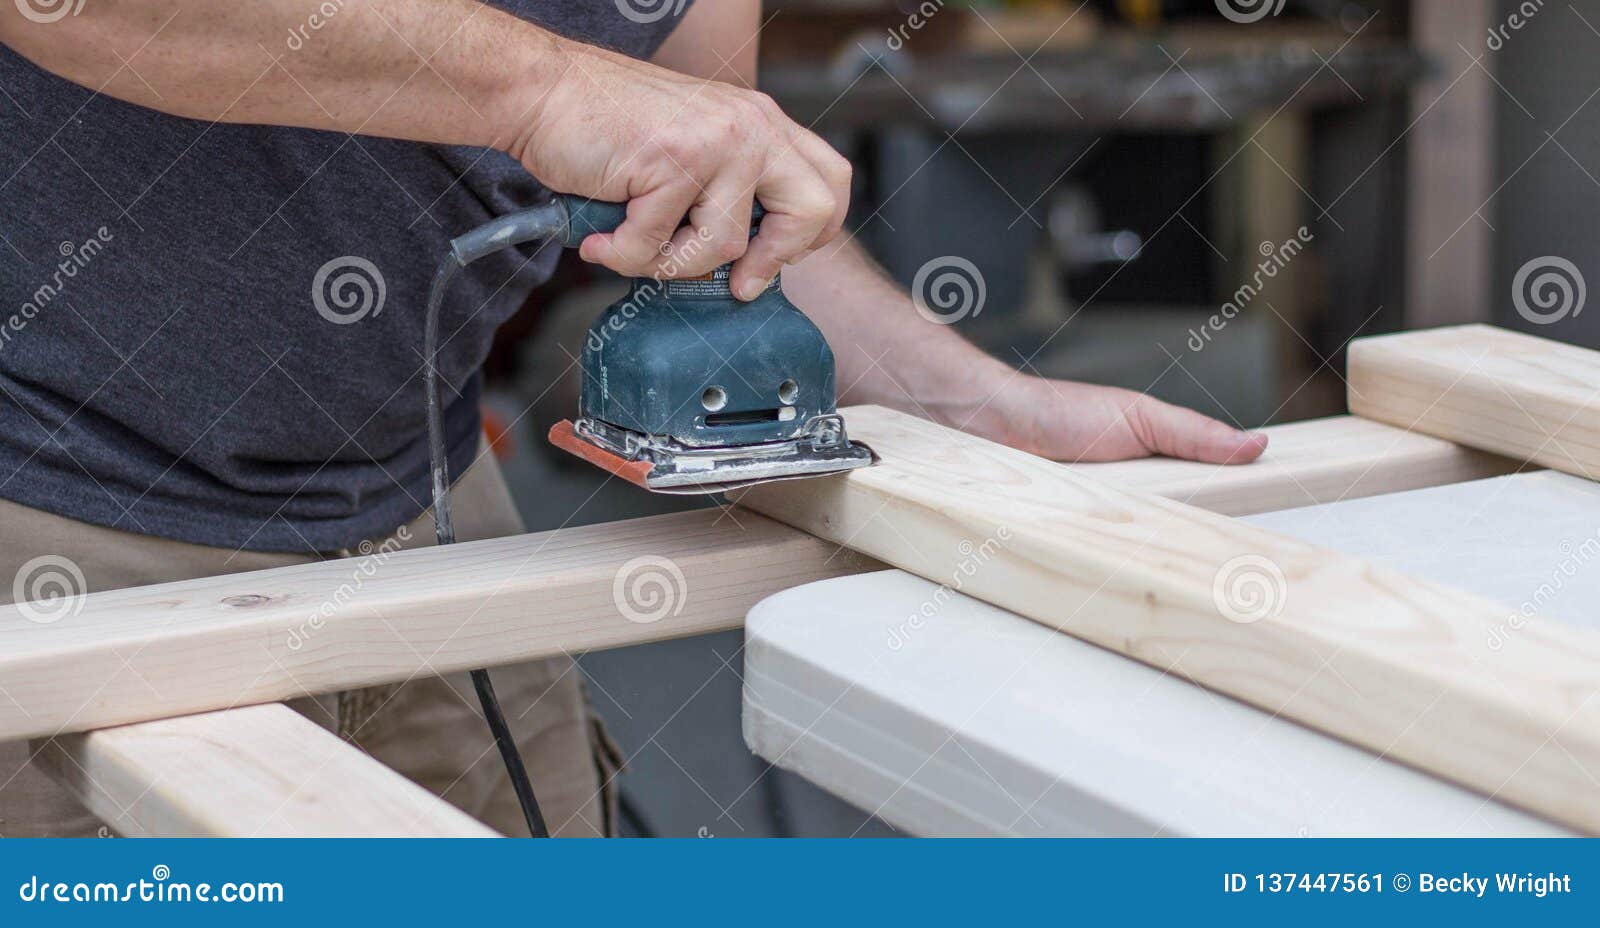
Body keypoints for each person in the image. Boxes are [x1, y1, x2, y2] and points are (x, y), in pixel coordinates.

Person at [0, 0, 1266, 837]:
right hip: (59, 506)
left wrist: (970, 394)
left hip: (408, 494)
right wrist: (543, 90)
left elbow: (719, 193)